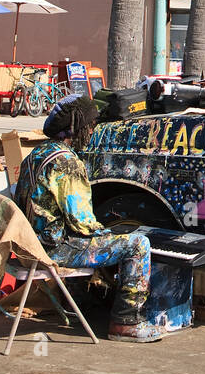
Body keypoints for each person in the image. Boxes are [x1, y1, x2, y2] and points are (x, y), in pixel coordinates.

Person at [12, 94, 162, 343]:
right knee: (137, 245)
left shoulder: (36, 154)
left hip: (28, 247)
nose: (92, 130)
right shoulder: (68, 163)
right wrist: (112, 235)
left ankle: (82, 303)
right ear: (76, 127)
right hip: (53, 250)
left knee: (108, 241)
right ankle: (126, 322)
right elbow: (82, 223)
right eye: (90, 125)